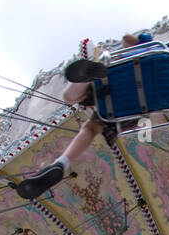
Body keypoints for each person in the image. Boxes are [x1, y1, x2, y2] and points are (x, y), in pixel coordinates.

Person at [15, 32, 159, 199]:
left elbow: (127, 38)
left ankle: (62, 161)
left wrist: (131, 44)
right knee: (99, 126)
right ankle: (62, 162)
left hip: (118, 81)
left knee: (71, 100)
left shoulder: (152, 45)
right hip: (137, 104)